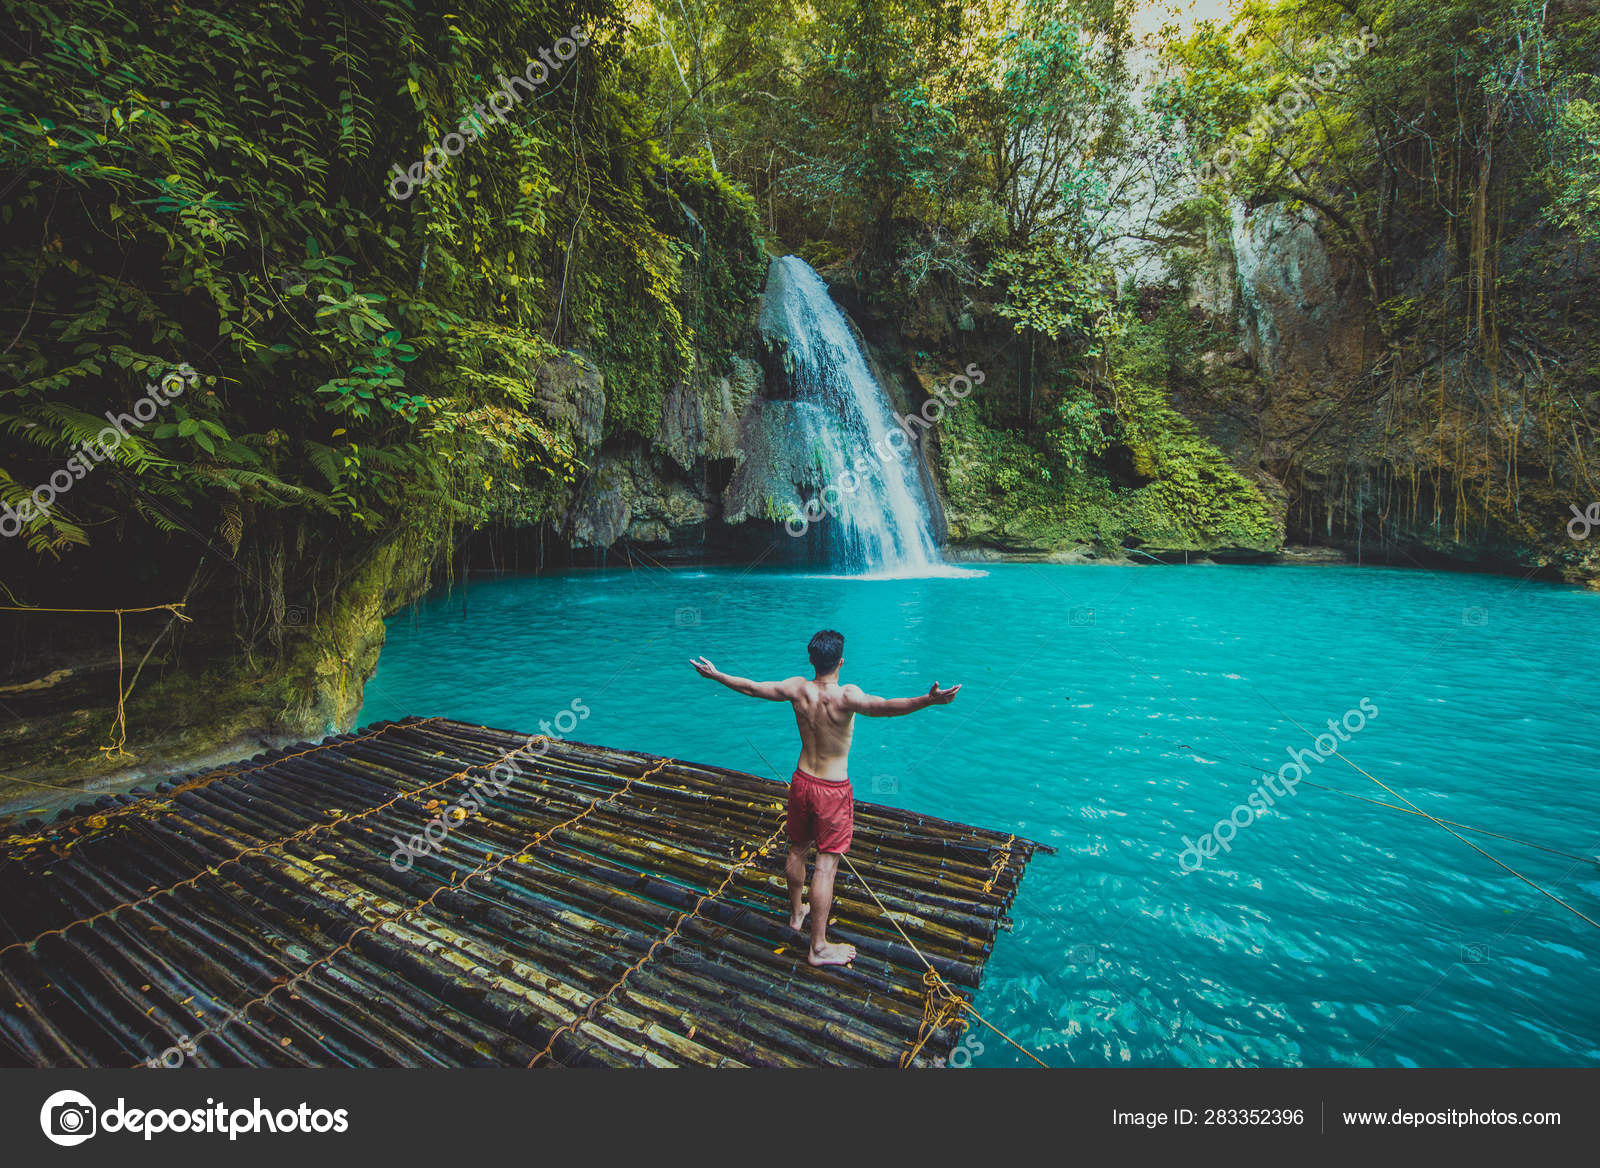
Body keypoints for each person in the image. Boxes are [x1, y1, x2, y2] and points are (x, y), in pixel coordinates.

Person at [690, 630, 960, 966]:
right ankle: (817, 947)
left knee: (797, 849)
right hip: (832, 790)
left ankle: (795, 914)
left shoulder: (797, 688)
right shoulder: (846, 696)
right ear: (841, 662)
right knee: (827, 867)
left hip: (802, 781)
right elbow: (886, 708)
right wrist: (928, 700)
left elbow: (751, 687)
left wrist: (716, 675)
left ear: (811, 660)